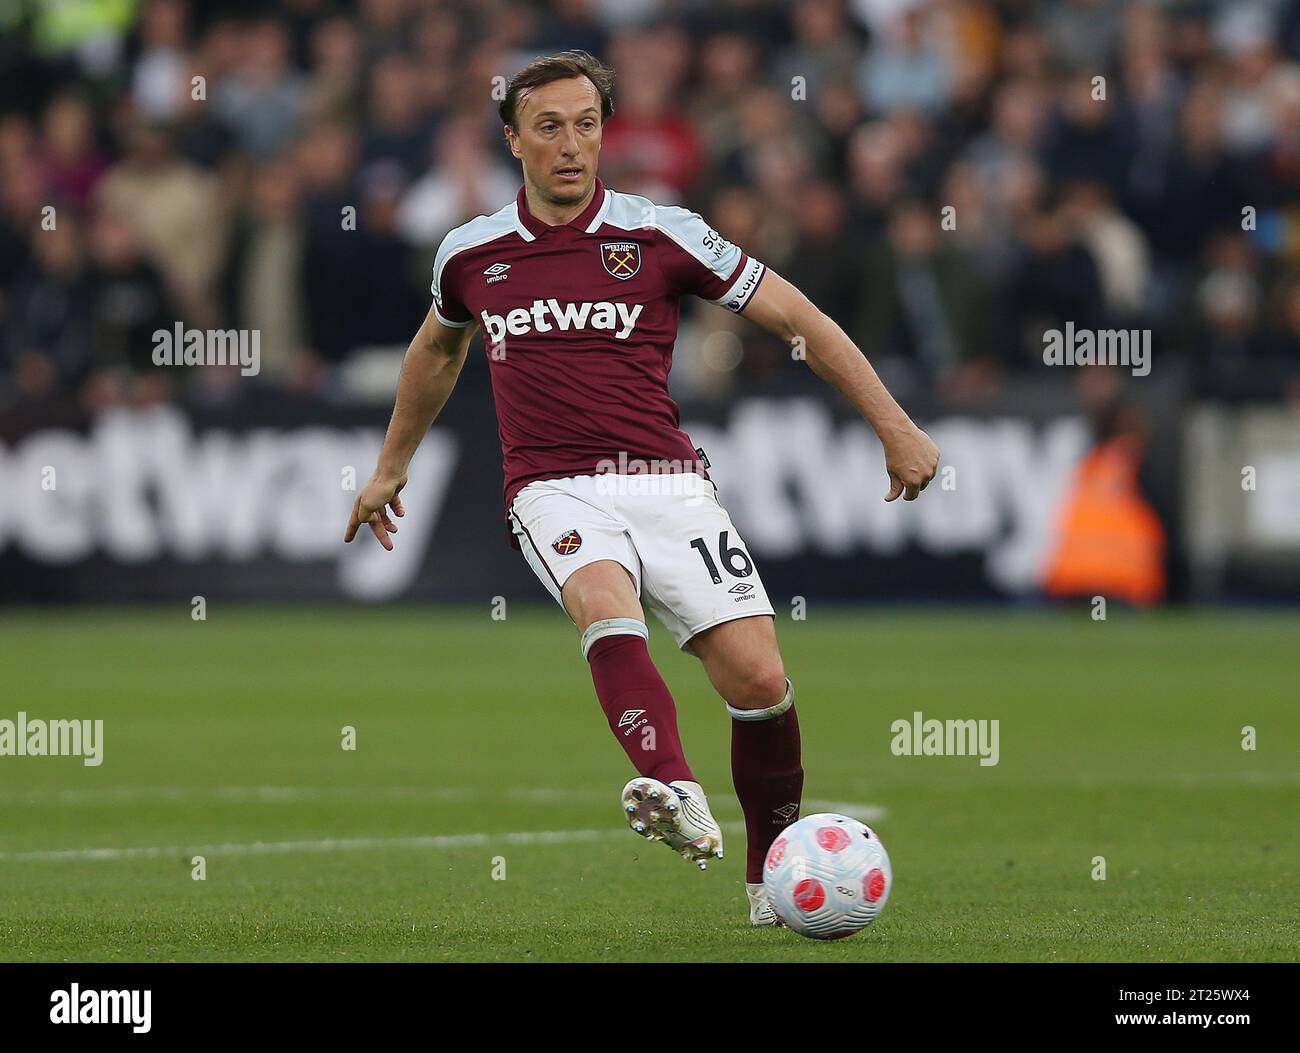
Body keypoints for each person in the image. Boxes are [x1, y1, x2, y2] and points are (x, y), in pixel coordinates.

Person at [345, 50, 939, 925]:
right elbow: (438, 349)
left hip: (668, 484)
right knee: (604, 603)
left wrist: (892, 422)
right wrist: (392, 466)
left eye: (587, 124)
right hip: (551, 487)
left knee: (760, 680)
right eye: (548, 127)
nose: (572, 145)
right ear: (512, 140)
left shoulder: (663, 234)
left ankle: (766, 887)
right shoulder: (472, 254)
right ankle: (674, 787)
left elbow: (795, 316)